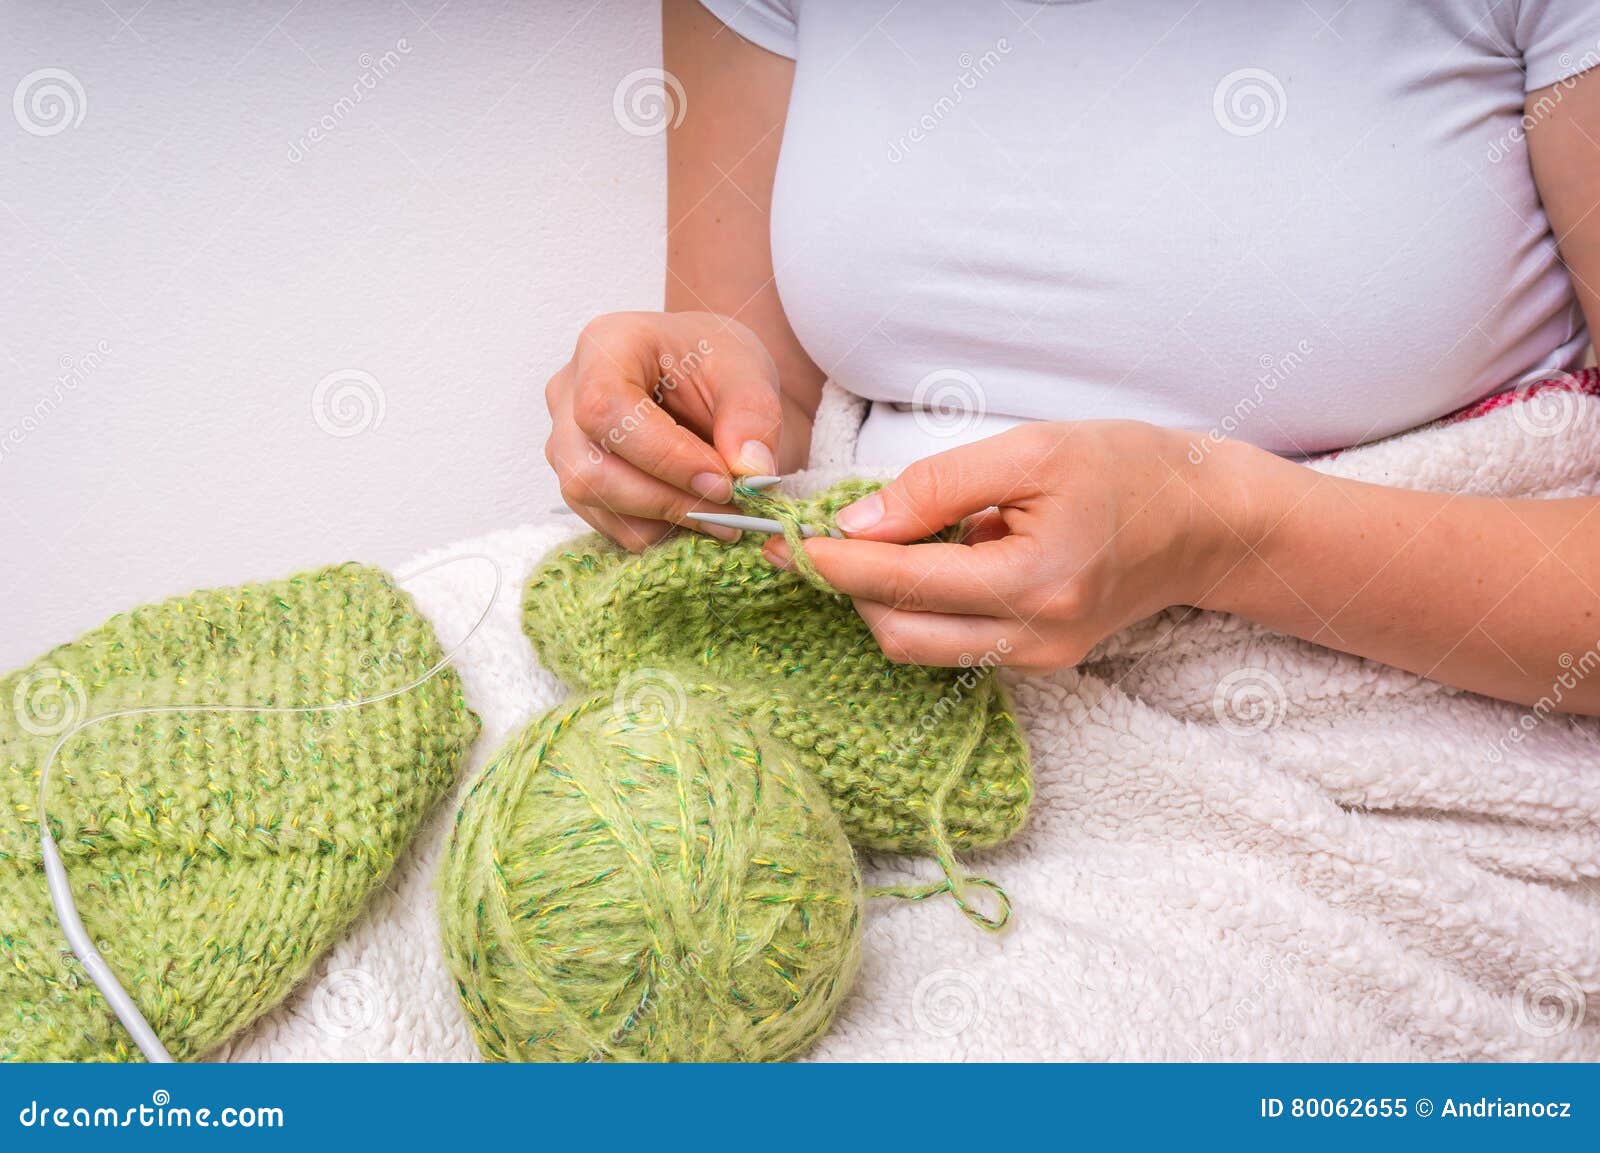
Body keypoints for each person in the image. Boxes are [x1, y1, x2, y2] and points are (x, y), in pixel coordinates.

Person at [545, 0, 1600, 713]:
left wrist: (1213, 536)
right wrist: (678, 421)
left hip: (1389, 726)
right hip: (858, 674)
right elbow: (760, 394)